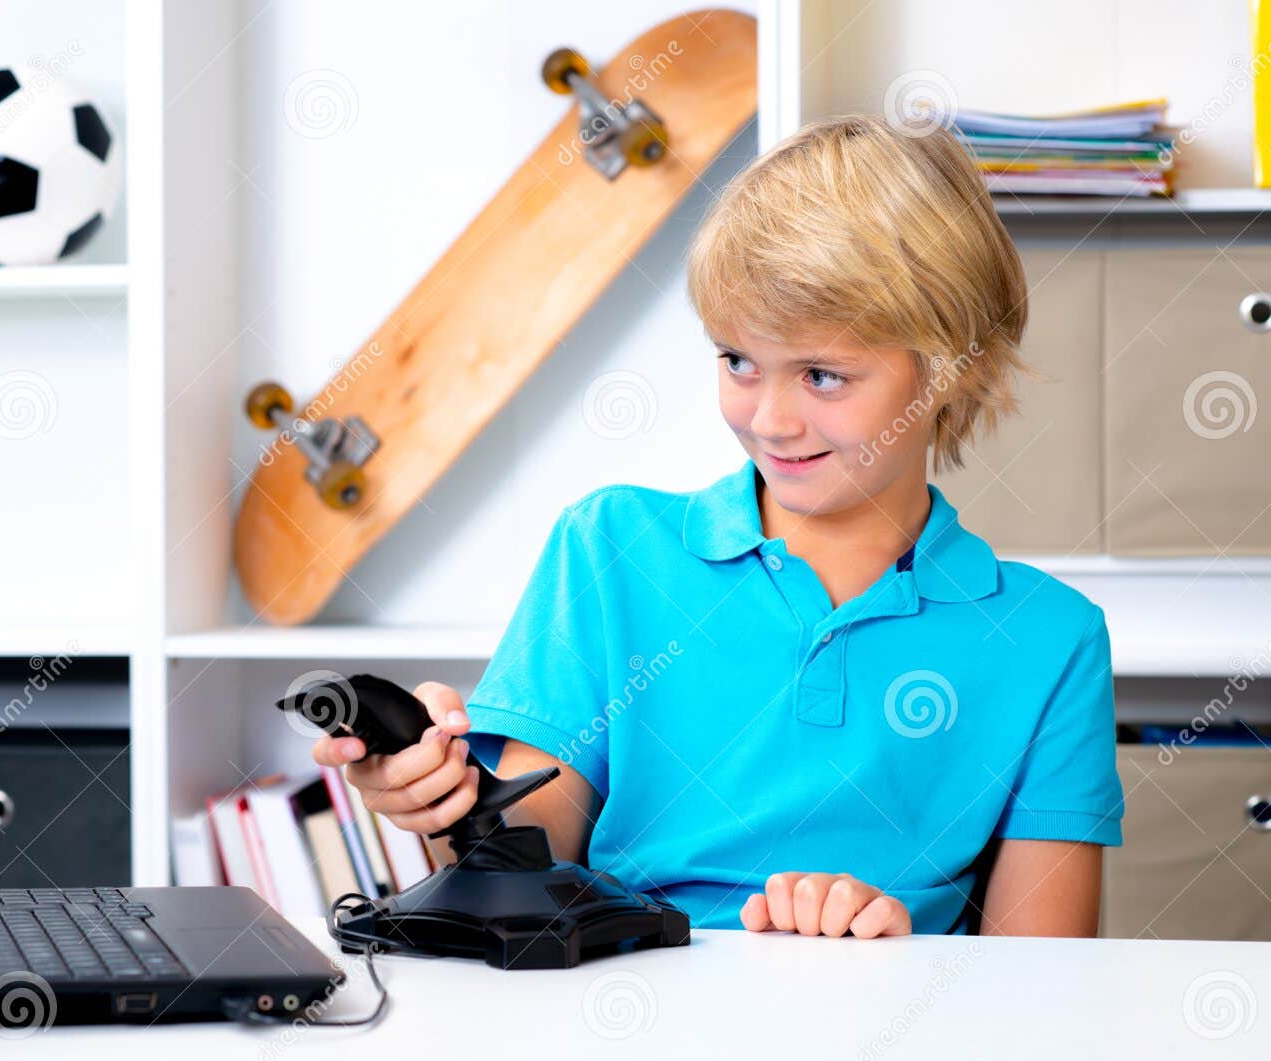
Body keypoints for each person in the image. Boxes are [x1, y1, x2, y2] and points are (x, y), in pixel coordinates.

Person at [308, 113, 1123, 938]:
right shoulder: (612, 548)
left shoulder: (1050, 639)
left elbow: (1039, 993)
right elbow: (524, 862)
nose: (770, 419)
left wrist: (891, 960)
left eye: (822, 374)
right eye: (738, 360)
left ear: (956, 368)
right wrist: (444, 800)